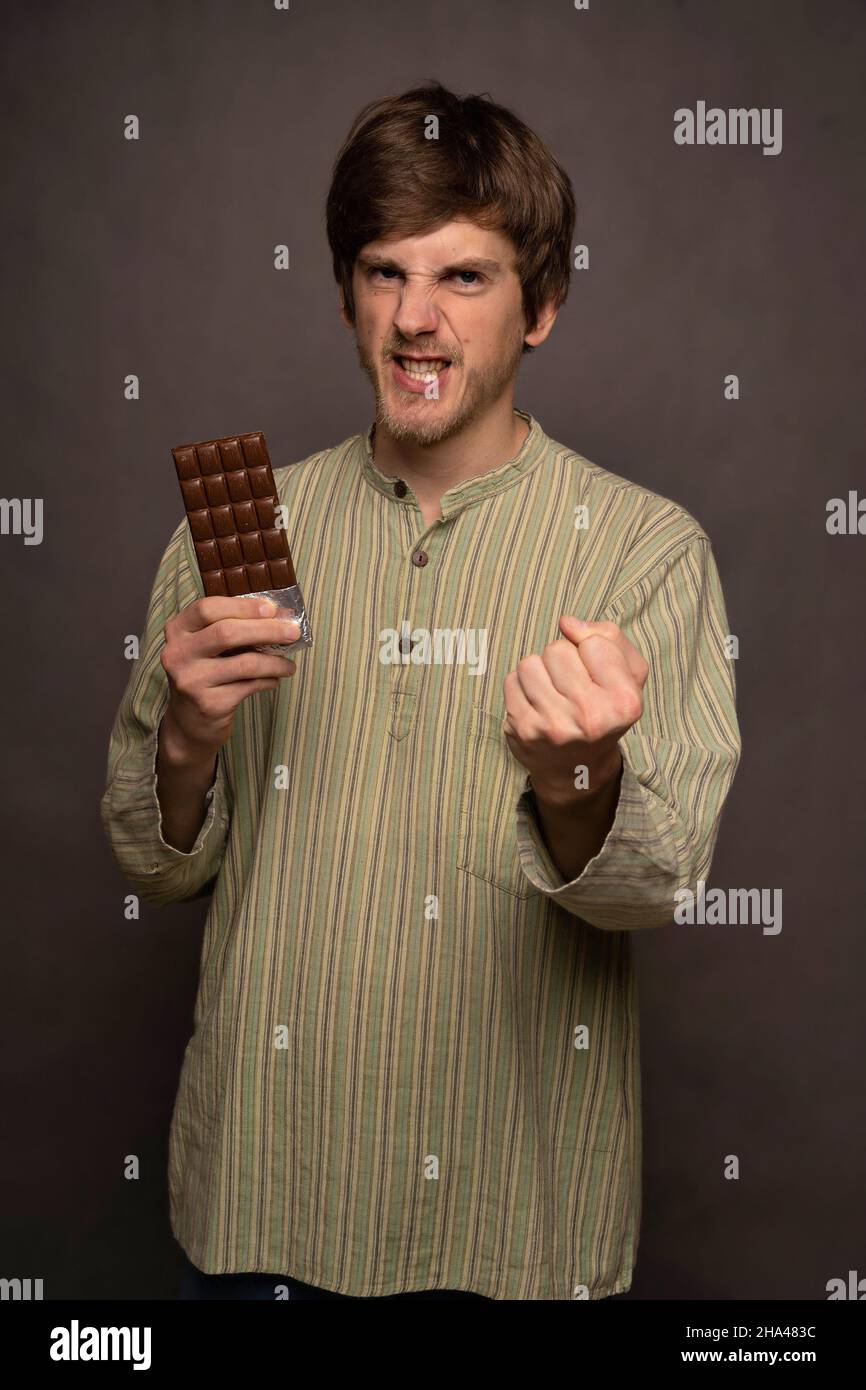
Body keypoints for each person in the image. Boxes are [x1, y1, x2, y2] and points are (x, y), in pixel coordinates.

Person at [100, 81, 741, 1302]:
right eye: (385, 272)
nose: (415, 319)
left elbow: (658, 884)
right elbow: (153, 865)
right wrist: (183, 736)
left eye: (463, 278)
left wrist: (578, 779)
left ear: (540, 305)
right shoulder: (239, 539)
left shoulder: (644, 550)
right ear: (344, 294)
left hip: (516, 1228)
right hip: (261, 1198)